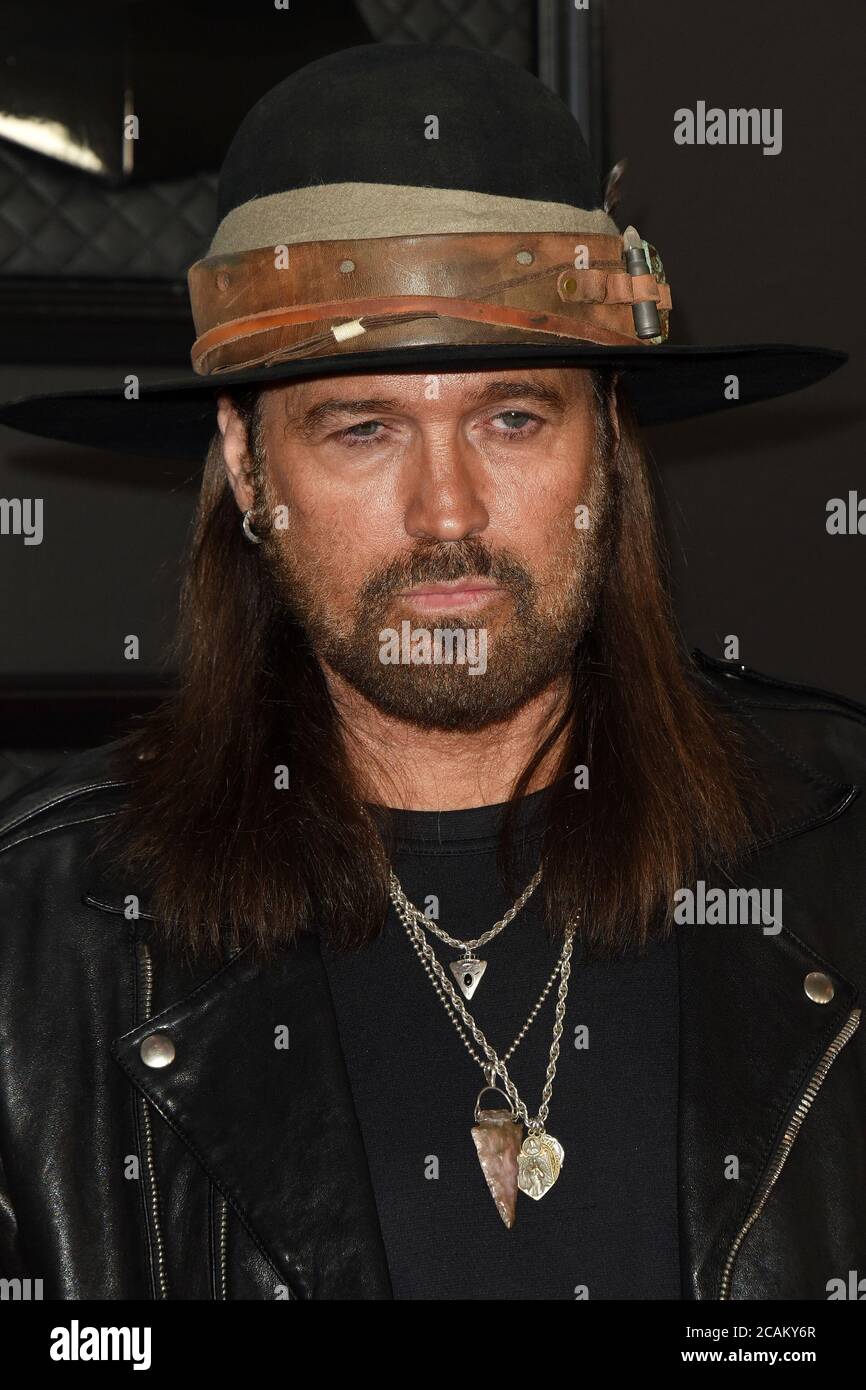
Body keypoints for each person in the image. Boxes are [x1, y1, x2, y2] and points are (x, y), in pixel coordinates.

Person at [0, 42, 863, 1302]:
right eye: (362, 429)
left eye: (512, 417)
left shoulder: (839, 856)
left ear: (607, 449)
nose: (446, 512)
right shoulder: (37, 947)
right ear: (249, 472)